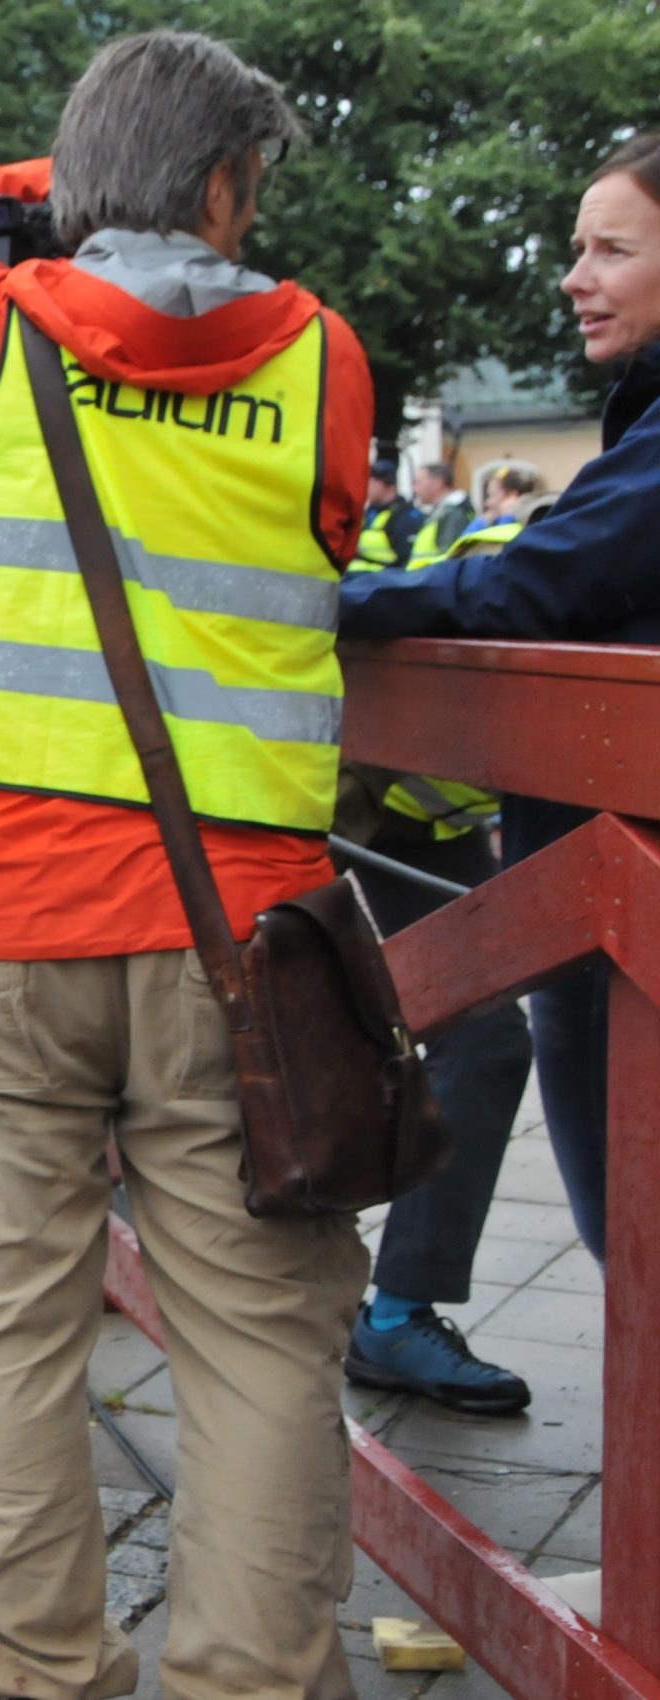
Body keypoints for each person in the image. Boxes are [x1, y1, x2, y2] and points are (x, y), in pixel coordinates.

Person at [0, 31, 378, 1700]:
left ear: (87, 184)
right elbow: (332, 537)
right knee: (264, 1334)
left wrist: (32, 198)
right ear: (227, 187)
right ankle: (249, 1678)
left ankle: (33, 1669)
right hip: (244, 943)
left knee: (0, 1308)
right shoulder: (324, 358)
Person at [338, 131, 660, 1269]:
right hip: (592, 872)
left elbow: (543, 576)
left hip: (614, 878)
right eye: (577, 247)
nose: (574, 276)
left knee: (626, 1208)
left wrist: (339, 601)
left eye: (609, 249)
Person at [335, 508, 551, 1416]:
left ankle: (394, 1313)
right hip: (341, 783)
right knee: (251, 1010)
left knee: (489, 1043)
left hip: (431, 813)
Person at [354, 456, 419, 570]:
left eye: (370, 482)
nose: (365, 487)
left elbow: (405, 559)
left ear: (387, 485)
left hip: (384, 582)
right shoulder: (368, 512)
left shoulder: (404, 515)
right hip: (356, 581)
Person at [407, 460, 476, 566]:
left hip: (433, 580)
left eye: (419, 482)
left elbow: (449, 560)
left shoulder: (453, 513)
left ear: (438, 482)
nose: (415, 489)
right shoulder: (442, 511)